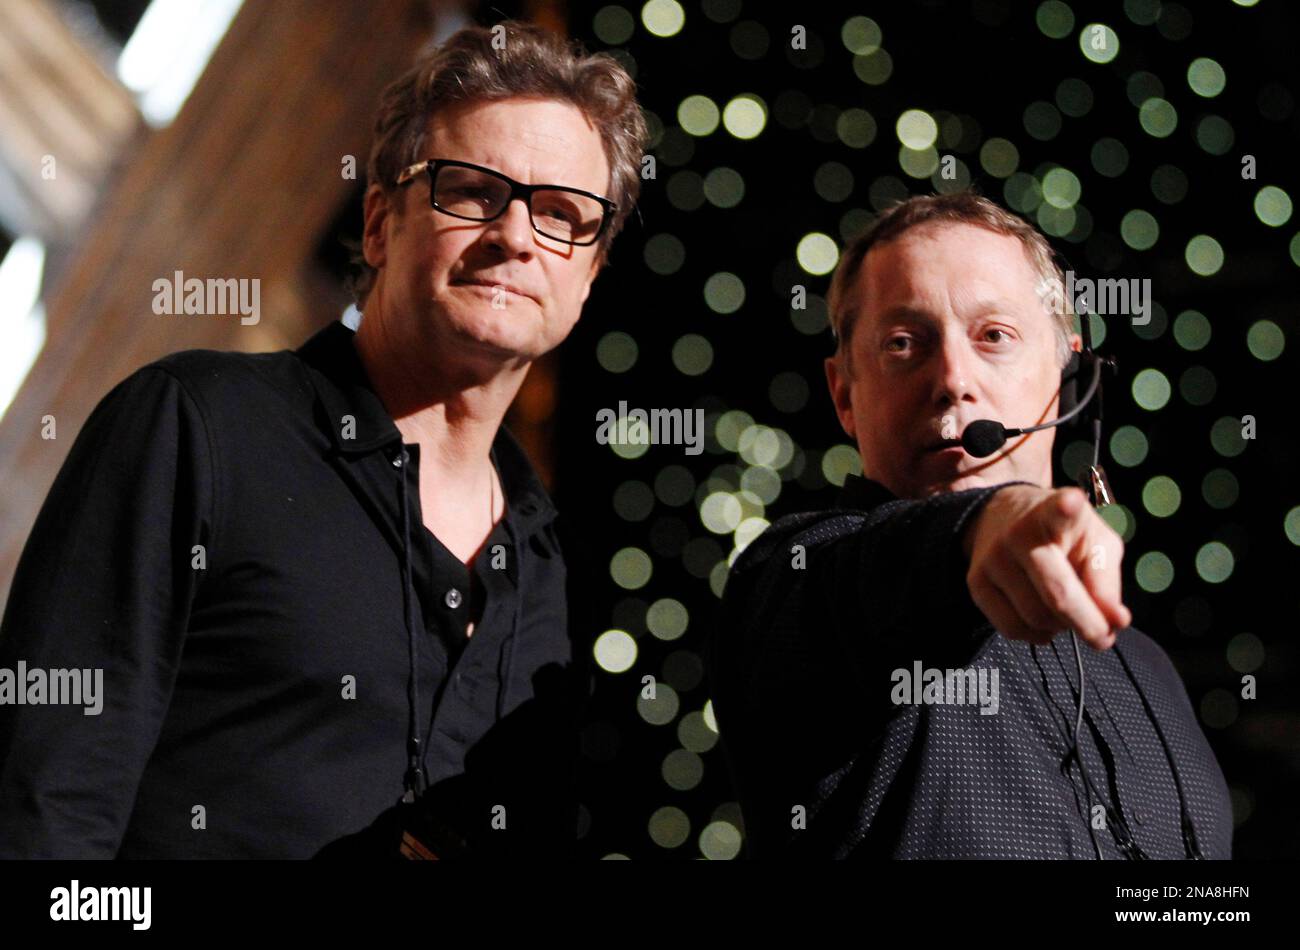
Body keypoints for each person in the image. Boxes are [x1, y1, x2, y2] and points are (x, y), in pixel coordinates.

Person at [0, 20, 646, 858]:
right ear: (379, 223)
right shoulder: (197, 425)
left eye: (563, 214)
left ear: (589, 276)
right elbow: (43, 819)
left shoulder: (550, 568)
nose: (516, 236)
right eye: (473, 191)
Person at [705, 192, 1233, 859]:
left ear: (1069, 373)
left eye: (994, 336)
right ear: (844, 394)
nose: (954, 379)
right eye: (904, 344)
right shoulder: (793, 583)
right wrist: (988, 522)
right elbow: (868, 583)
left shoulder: (1145, 666)